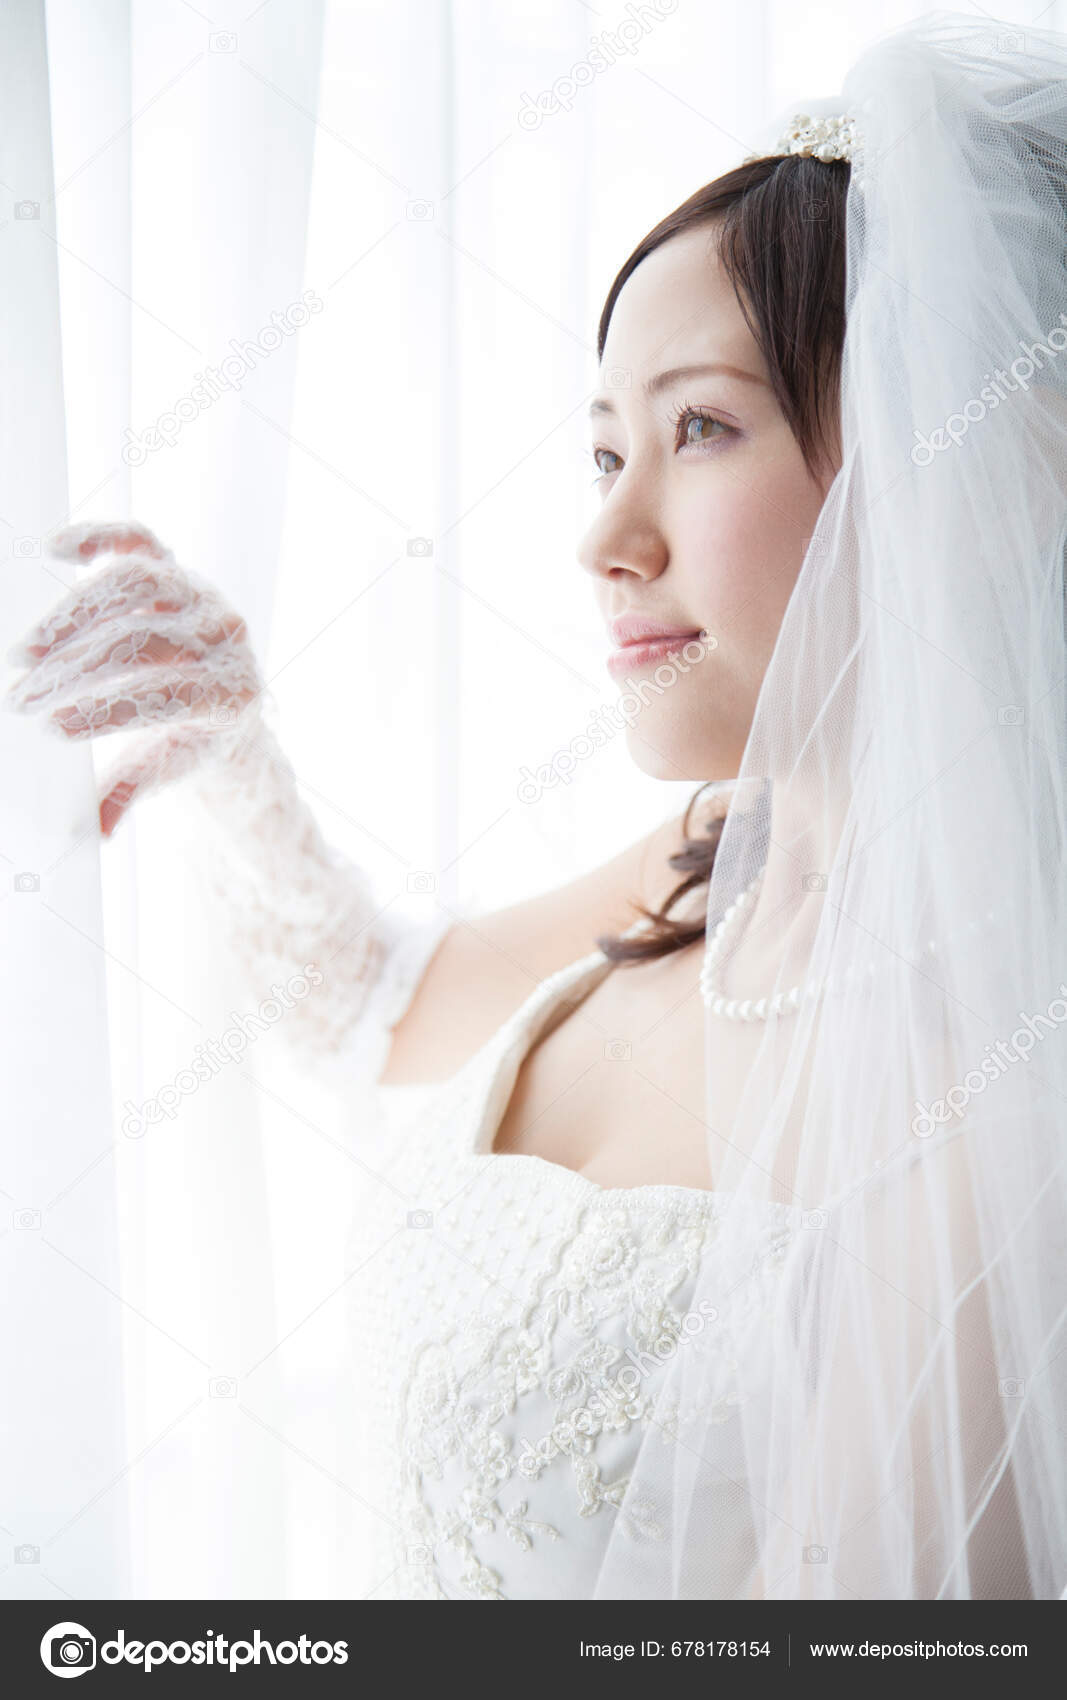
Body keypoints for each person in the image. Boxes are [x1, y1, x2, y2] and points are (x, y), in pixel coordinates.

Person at [7, 11, 1066, 1600]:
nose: (604, 537)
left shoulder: (1000, 1076)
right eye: (599, 450)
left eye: (700, 427)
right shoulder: (715, 863)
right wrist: (234, 746)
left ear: (948, 470)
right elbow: (375, 1008)